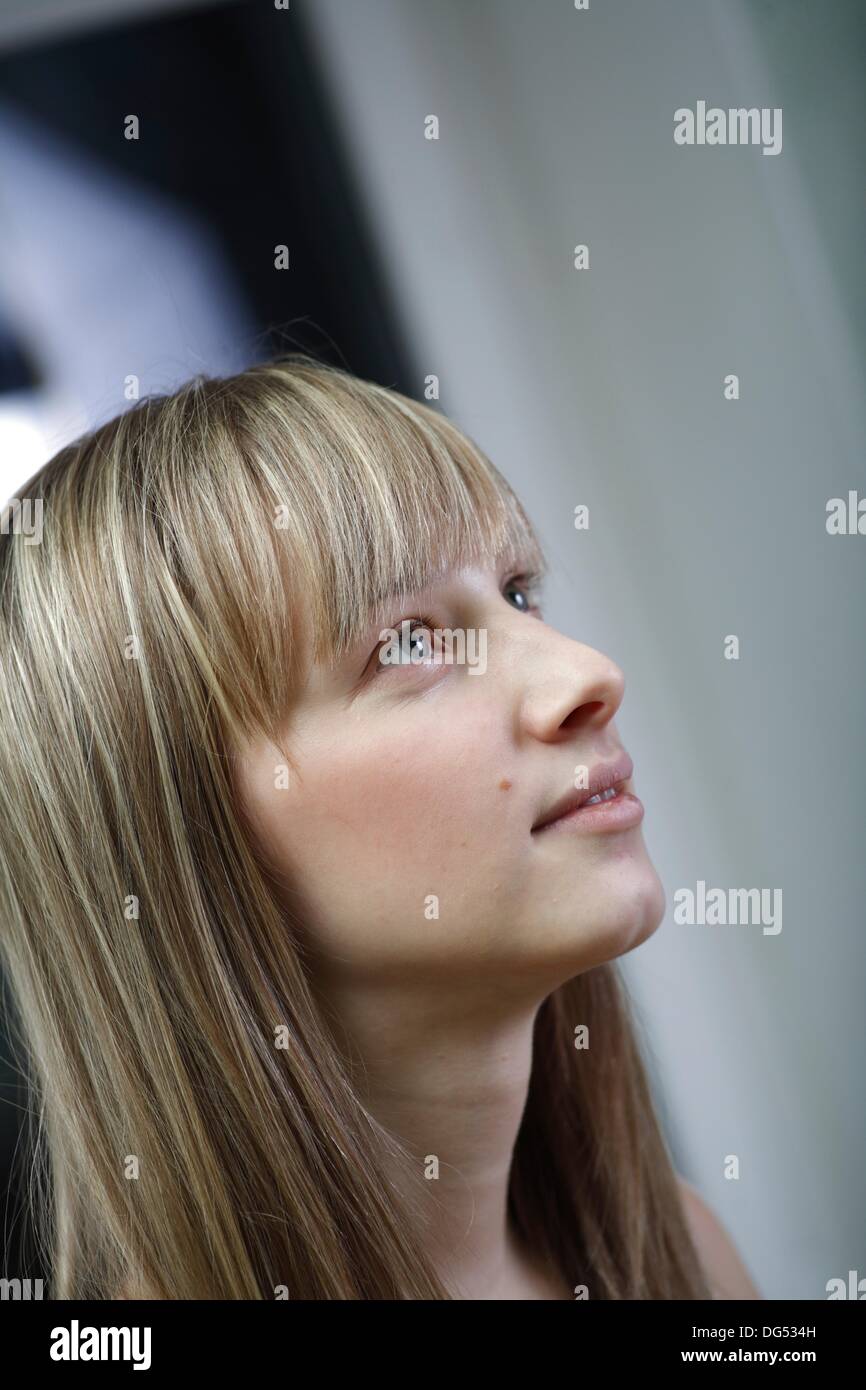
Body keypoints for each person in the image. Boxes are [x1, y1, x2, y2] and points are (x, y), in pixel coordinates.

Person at [0, 355, 760, 1300]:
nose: (586, 672)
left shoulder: (689, 1264)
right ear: (184, 839)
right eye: (408, 641)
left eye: (519, 593)